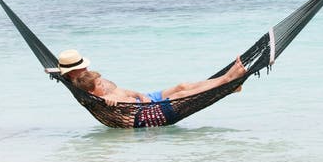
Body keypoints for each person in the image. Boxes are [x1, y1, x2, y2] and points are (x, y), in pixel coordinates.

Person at [47, 48, 246, 106]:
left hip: (143, 98)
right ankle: (226, 81)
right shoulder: (83, 89)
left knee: (182, 86)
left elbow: (122, 91)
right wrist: (139, 102)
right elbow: (111, 100)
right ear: (72, 72)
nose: (87, 66)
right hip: (142, 111)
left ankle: (227, 85)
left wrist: (140, 95)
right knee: (184, 95)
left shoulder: (88, 77)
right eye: (82, 66)